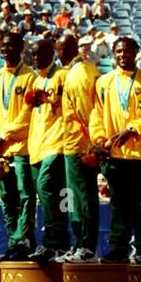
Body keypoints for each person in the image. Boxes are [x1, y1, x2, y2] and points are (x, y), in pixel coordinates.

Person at [91, 37, 141, 263]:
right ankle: (118, 248)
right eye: (119, 51)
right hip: (115, 155)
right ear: (113, 53)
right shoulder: (104, 82)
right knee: (118, 205)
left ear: (136, 53)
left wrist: (132, 129)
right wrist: (100, 140)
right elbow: (96, 115)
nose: (122, 55)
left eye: (127, 51)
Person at [0, 31, 37, 261]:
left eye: (11, 46)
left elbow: (28, 116)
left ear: (21, 48)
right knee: (7, 198)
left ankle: (23, 239)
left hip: (22, 148)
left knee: (25, 195)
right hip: (1, 151)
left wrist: (4, 136)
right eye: (3, 47)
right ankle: (13, 241)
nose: (6, 50)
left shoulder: (30, 78)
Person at [27, 39, 70, 264]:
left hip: (57, 142)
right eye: (33, 55)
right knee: (48, 196)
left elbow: (69, 107)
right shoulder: (36, 79)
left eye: (40, 54)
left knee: (47, 188)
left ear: (51, 53)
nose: (36, 59)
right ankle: (58, 244)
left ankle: (54, 241)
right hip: (38, 145)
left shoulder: (62, 76)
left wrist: (50, 100)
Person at [58, 31, 100, 261]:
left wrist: (92, 146)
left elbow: (87, 113)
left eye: (59, 49)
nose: (58, 53)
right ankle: (83, 244)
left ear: (66, 50)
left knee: (80, 197)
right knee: (81, 196)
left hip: (79, 145)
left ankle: (85, 246)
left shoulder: (77, 75)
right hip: (78, 144)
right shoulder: (88, 69)